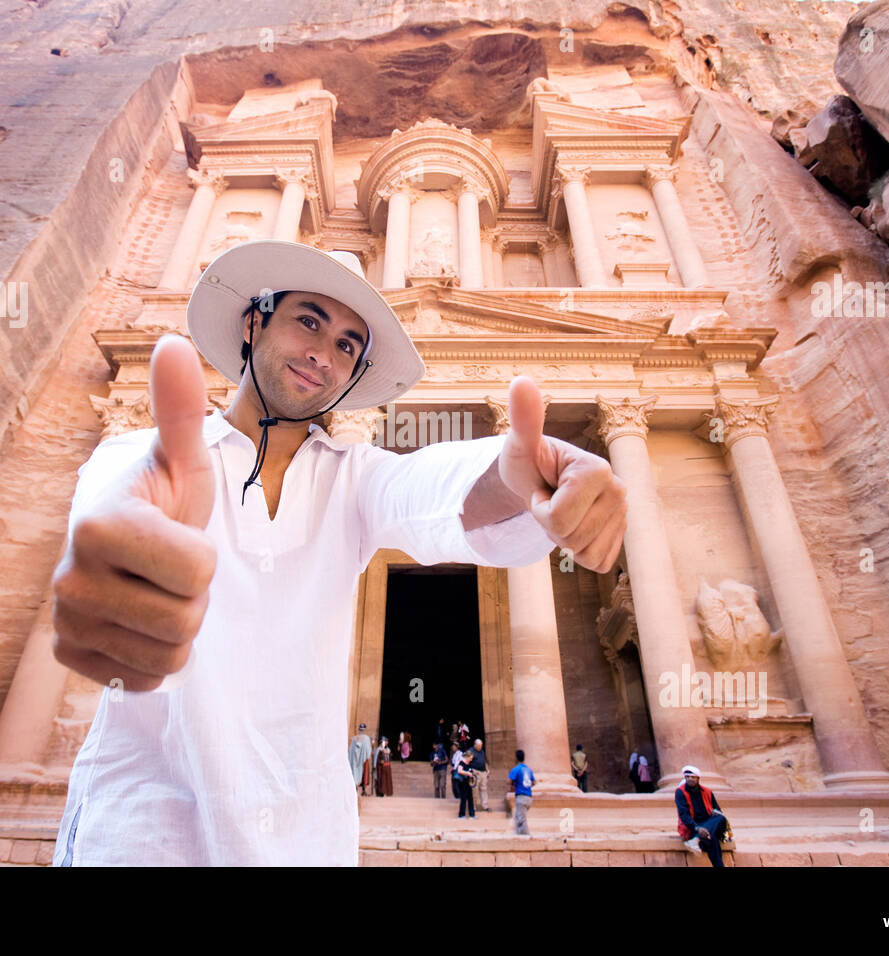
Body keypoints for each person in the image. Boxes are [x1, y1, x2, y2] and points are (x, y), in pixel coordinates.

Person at [50, 240, 628, 865]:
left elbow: (436, 494)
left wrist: (517, 478)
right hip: (143, 836)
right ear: (253, 322)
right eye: (309, 320)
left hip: (304, 843)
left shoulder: (355, 479)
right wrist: (121, 569)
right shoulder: (139, 456)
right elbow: (113, 516)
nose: (324, 355)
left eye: (349, 345)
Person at [675, 765, 728, 868]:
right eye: (687, 777)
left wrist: (715, 812)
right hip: (693, 827)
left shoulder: (707, 791)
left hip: (709, 824)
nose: (690, 779)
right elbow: (683, 815)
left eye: (692, 777)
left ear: (698, 778)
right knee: (712, 839)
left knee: (721, 818)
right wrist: (697, 828)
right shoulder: (680, 792)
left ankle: (696, 840)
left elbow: (718, 810)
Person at [508, 750, 534, 836]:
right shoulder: (528, 769)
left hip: (521, 797)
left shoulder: (516, 769)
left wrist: (515, 783)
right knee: (517, 817)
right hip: (529, 797)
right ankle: (518, 835)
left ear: (516, 758)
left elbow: (509, 781)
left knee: (521, 819)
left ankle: (526, 838)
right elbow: (534, 782)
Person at [349, 723, 372, 799]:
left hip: (355, 761)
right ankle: (363, 790)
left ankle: (355, 788)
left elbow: (351, 751)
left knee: (355, 772)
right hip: (363, 760)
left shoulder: (354, 739)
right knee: (364, 774)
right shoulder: (366, 738)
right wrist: (367, 756)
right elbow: (368, 750)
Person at [454, 750, 477, 818]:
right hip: (463, 783)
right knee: (463, 799)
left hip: (468, 783)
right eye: (470, 757)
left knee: (470, 798)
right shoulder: (462, 762)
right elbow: (459, 771)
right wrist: (467, 773)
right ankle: (461, 815)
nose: (471, 759)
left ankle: (472, 814)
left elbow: (471, 771)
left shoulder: (469, 764)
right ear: (467, 757)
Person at [469, 738, 490, 811]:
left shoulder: (482, 751)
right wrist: (471, 771)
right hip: (474, 773)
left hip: (483, 772)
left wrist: (487, 770)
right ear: (475, 745)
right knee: (474, 790)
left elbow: (484, 761)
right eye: (479, 746)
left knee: (484, 789)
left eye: (481, 746)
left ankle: (485, 805)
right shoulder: (470, 751)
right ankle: (473, 806)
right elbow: (463, 761)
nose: (480, 747)